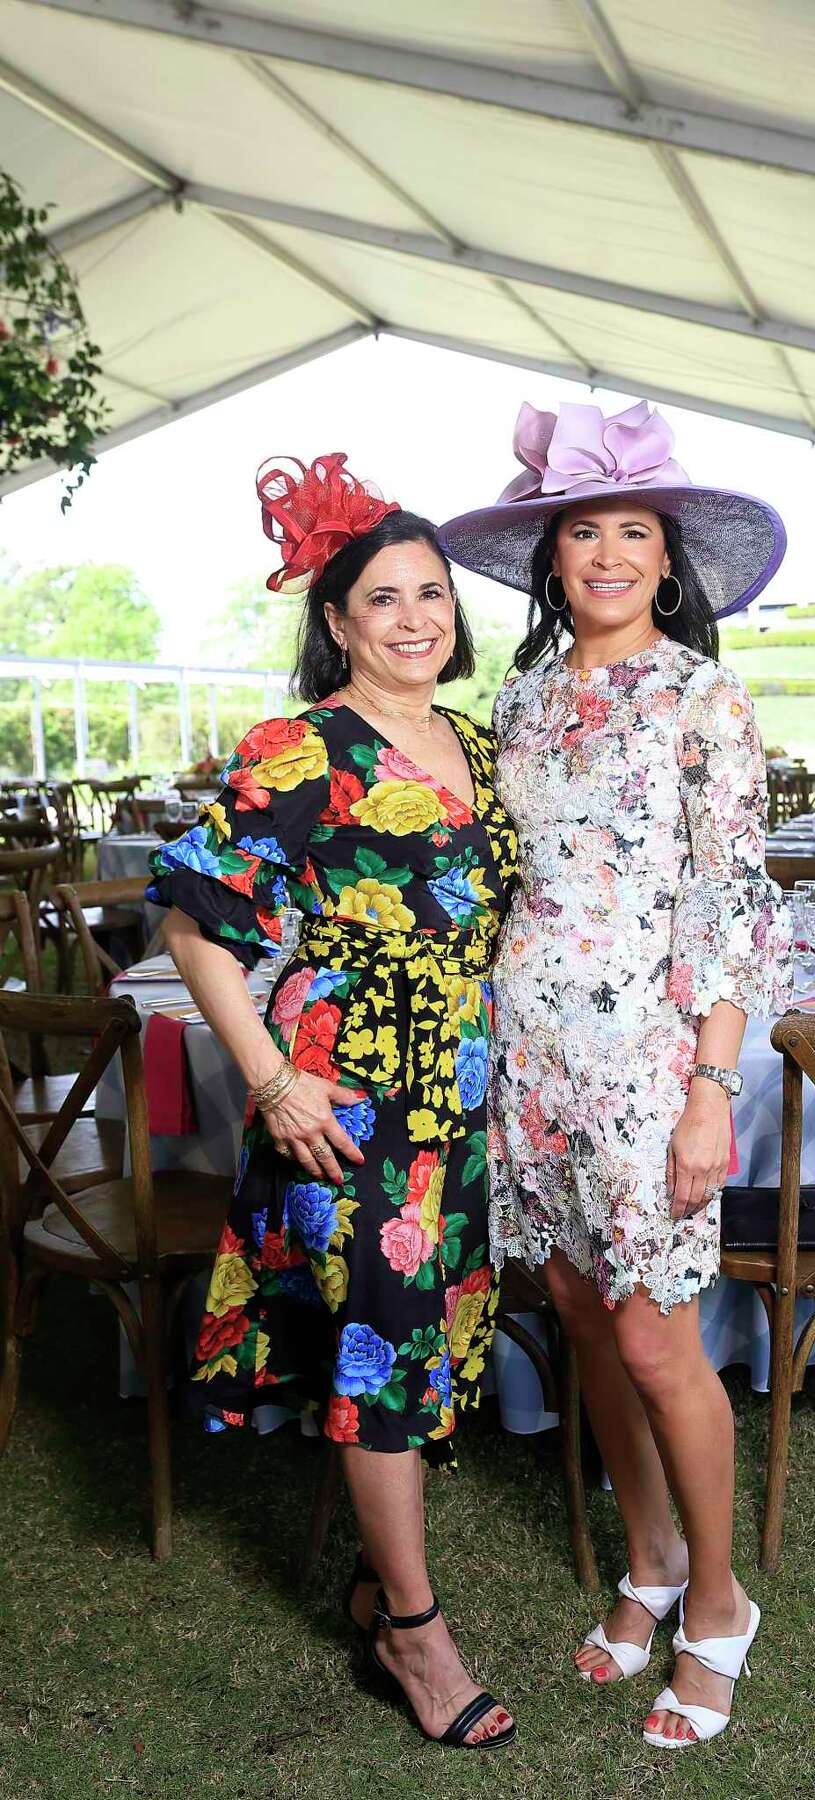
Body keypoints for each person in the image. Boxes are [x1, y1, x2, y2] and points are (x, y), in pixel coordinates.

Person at [147, 454, 518, 1751]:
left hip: (455, 1093)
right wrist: (272, 1077)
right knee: (385, 1350)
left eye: (433, 593)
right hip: (345, 1096)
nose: (416, 618)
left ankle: (376, 1588)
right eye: (384, 598)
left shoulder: (476, 745)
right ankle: (416, 1632)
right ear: (338, 622)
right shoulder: (299, 748)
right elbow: (194, 923)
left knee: (422, 1341)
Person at [440, 400, 791, 1748]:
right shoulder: (519, 702)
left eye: (633, 531)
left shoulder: (705, 696)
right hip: (532, 1057)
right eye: (583, 531)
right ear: (552, 555)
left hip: (653, 1065)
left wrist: (712, 1088)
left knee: (655, 1337)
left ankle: (719, 1602)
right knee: (586, 1315)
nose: (607, 554)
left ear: (666, 557)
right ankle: (648, 1560)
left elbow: (728, 899)